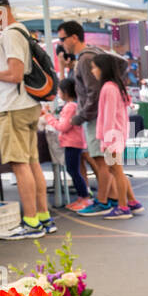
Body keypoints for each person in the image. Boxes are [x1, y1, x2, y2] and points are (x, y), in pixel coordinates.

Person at [0, 0, 55, 239]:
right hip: (26, 106)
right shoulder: (19, 33)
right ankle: (42, 218)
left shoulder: (10, 34)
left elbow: (15, 75)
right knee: (31, 163)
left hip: (14, 107)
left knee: (21, 165)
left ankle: (30, 222)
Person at [57, 20, 137, 215]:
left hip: (106, 132)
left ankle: (113, 203)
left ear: (74, 37)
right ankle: (128, 202)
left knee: (107, 166)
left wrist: (83, 119)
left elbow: (100, 105)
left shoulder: (89, 64)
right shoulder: (109, 82)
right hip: (109, 133)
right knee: (111, 167)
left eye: (62, 39)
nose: (61, 43)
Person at [91, 52, 135, 219]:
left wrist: (106, 140)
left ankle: (123, 206)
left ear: (103, 69)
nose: (93, 71)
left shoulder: (108, 88)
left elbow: (108, 116)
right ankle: (131, 202)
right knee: (116, 170)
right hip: (116, 135)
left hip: (112, 137)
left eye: (94, 68)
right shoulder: (115, 87)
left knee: (116, 171)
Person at [50, 78, 92, 211]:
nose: (58, 93)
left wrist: (48, 118)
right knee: (73, 170)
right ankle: (81, 197)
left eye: (59, 90)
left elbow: (63, 127)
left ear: (65, 92)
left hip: (72, 143)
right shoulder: (73, 105)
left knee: (73, 170)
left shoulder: (70, 106)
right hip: (74, 142)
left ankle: (84, 197)